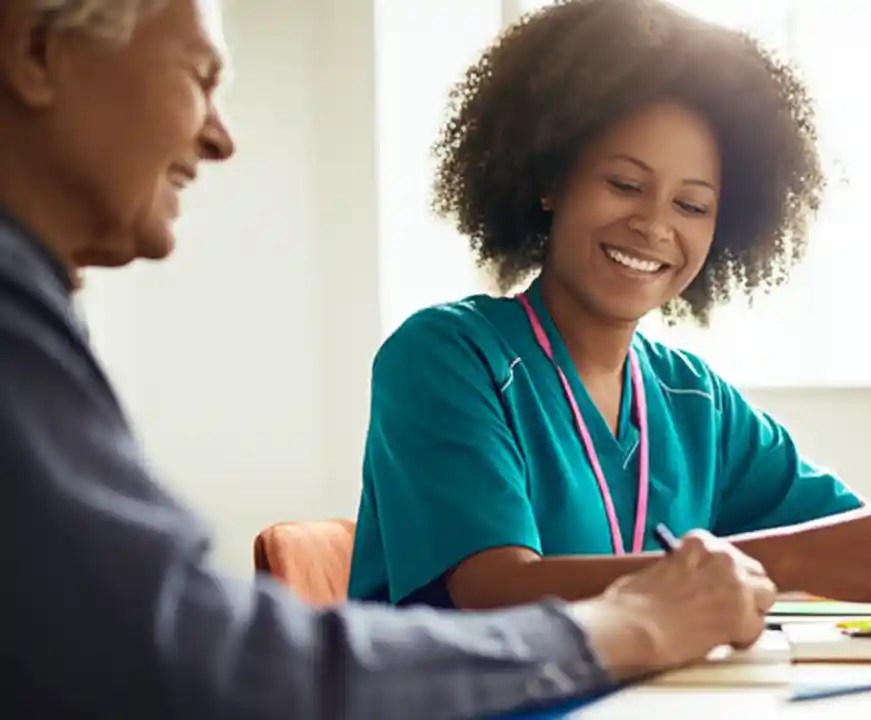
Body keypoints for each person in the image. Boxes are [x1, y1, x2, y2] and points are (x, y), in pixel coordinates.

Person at [0, 1, 778, 717]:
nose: (221, 136)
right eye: (201, 76)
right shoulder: (454, 351)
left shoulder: (34, 307)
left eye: (692, 203)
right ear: (37, 51)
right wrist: (629, 623)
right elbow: (195, 652)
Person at [349, 0, 871, 619]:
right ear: (547, 180)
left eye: (692, 204)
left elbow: (856, 534)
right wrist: (792, 562)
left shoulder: (694, 402)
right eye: (625, 183)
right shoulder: (447, 356)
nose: (655, 226)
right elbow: (495, 590)